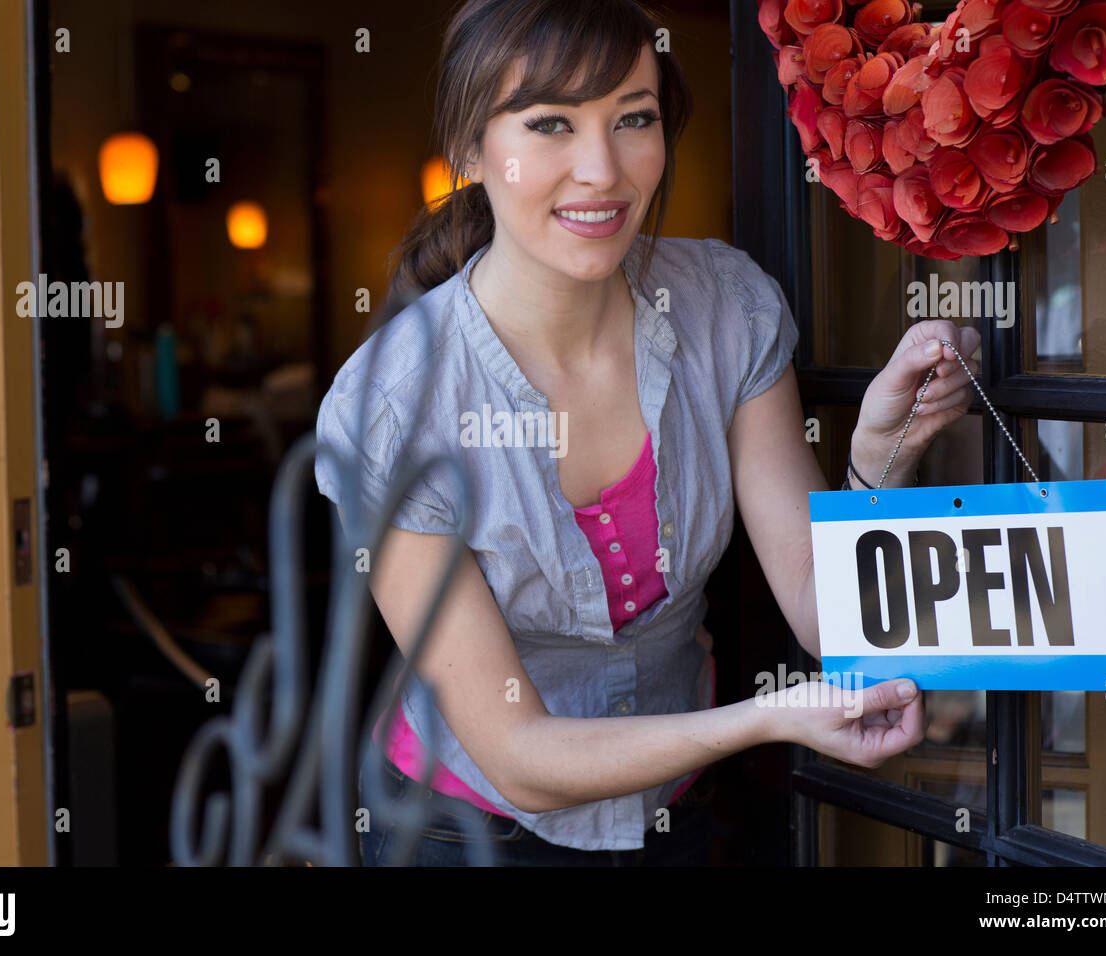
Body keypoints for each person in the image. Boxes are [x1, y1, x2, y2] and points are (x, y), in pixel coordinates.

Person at [315, 0, 981, 866]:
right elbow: (518, 756)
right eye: (550, 124)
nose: (601, 169)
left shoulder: (721, 308)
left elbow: (828, 613)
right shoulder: (395, 407)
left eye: (633, 118)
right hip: (463, 830)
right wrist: (766, 719)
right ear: (471, 151)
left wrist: (880, 449)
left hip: (675, 814)